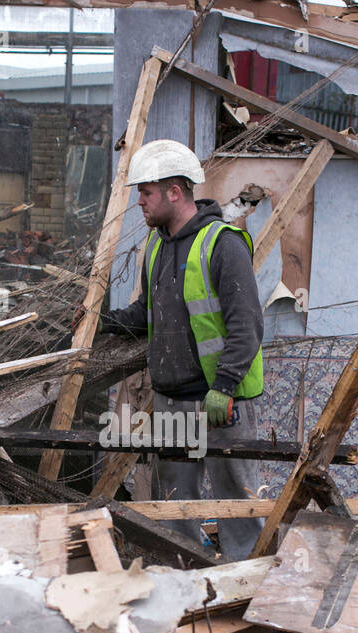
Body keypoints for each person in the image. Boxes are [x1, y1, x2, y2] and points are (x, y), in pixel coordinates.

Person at [97, 139, 265, 560]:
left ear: (175, 191)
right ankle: (182, 587)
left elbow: (247, 326)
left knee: (237, 505)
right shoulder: (156, 246)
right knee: (175, 507)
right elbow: (145, 314)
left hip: (219, 404)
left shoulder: (222, 243)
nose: (140, 202)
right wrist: (97, 322)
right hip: (173, 401)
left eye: (146, 192)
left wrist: (224, 387)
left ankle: (241, 585)